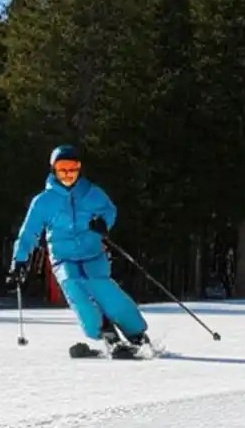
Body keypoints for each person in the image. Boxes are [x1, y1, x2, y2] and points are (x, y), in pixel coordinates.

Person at [10, 144, 151, 358]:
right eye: (62, 169)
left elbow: (109, 211)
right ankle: (108, 335)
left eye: (72, 168)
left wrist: (103, 223)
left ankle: (136, 335)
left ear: (79, 168)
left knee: (105, 291)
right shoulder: (43, 202)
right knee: (76, 290)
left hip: (93, 254)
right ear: (53, 170)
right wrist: (20, 259)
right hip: (64, 259)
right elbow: (29, 232)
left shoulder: (92, 193)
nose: (68, 174)